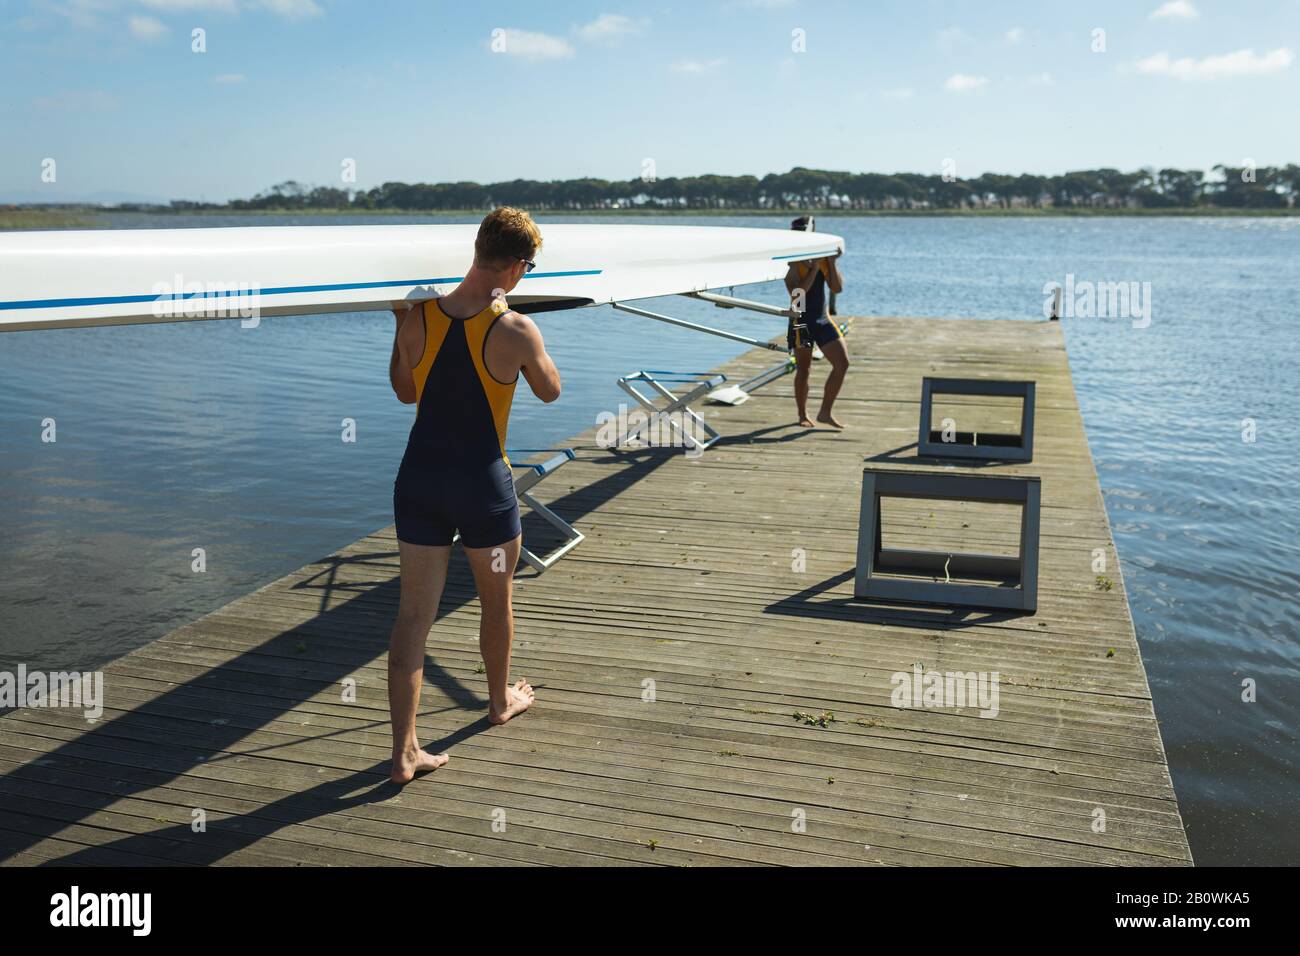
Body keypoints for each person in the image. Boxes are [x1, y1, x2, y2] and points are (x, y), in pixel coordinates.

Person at [385, 207, 561, 783]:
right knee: (496, 599)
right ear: (513, 265)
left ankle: (405, 752)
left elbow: (405, 393)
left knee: (414, 616)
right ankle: (498, 701)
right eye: (527, 267)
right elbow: (551, 391)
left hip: (419, 481)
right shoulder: (514, 328)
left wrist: (398, 327)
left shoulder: (419, 318)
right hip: (482, 487)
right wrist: (517, 324)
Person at [785, 215, 848, 428]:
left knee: (842, 364)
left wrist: (830, 261)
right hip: (800, 321)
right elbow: (797, 295)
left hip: (822, 320)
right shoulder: (791, 261)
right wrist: (814, 268)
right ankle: (802, 415)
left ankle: (825, 412)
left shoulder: (822, 258)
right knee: (804, 370)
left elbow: (837, 288)